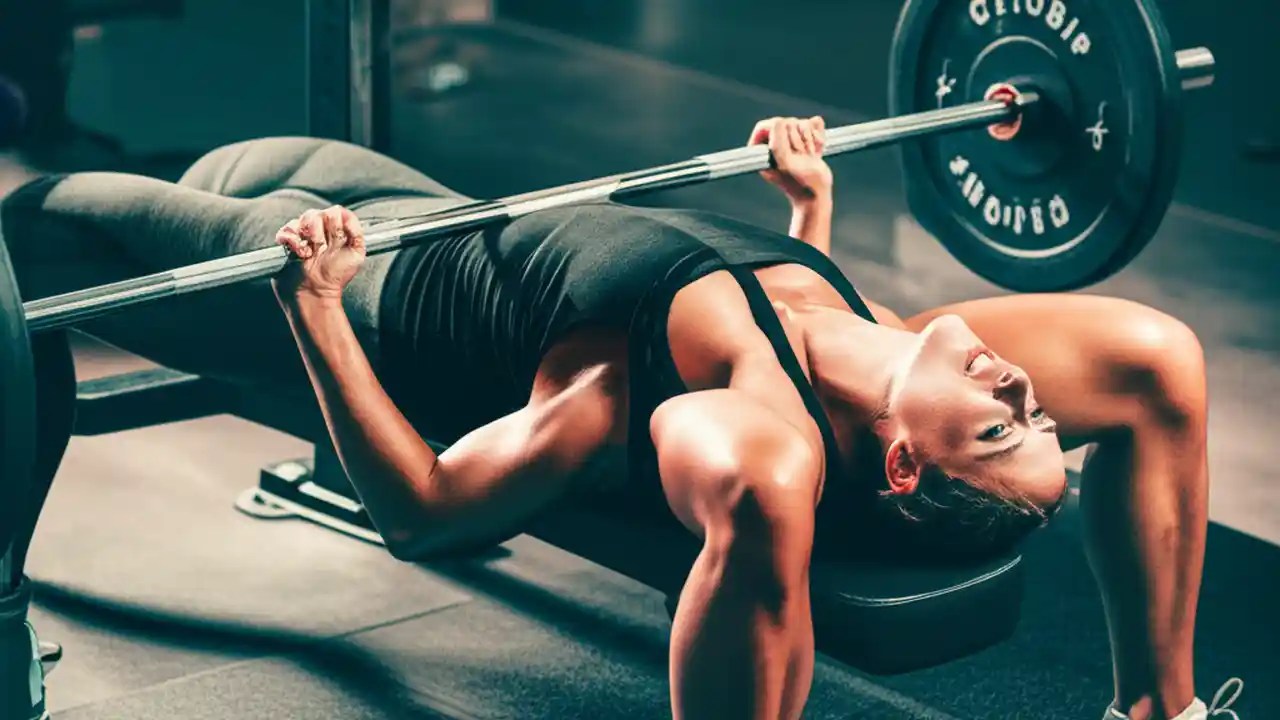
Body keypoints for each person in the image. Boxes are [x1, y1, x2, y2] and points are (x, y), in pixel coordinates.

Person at [0, 117, 1235, 720]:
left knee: (26, 233)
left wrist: (312, 307)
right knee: (1157, 360)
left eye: (998, 434)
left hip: (356, 280)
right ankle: (1158, 712)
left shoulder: (703, 420)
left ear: (902, 464)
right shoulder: (863, 330)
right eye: (1038, 427)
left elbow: (420, 516)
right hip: (416, 199)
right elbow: (793, 327)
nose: (1026, 400)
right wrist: (807, 211)